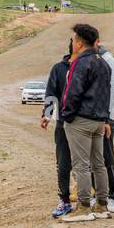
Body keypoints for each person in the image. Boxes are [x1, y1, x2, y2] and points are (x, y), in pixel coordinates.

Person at [60, 23, 112, 215]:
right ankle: (102, 204)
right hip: (99, 119)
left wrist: (67, 115)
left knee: (81, 164)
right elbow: (107, 93)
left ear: (80, 44)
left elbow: (72, 92)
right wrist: (105, 118)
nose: (72, 43)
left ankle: (83, 206)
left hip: (81, 120)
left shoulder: (80, 63)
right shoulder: (104, 63)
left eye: (73, 40)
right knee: (99, 164)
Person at [40, 41, 75, 218]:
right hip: (63, 123)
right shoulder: (58, 69)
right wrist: (46, 114)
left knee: (88, 163)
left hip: (85, 122)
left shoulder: (90, 65)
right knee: (63, 163)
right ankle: (64, 200)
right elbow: (51, 93)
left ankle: (90, 198)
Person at [96, 39, 114, 214]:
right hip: (94, 116)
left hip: (106, 117)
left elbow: (112, 92)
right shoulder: (96, 60)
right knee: (93, 158)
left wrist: (106, 118)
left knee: (107, 156)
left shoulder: (108, 61)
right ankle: (97, 194)